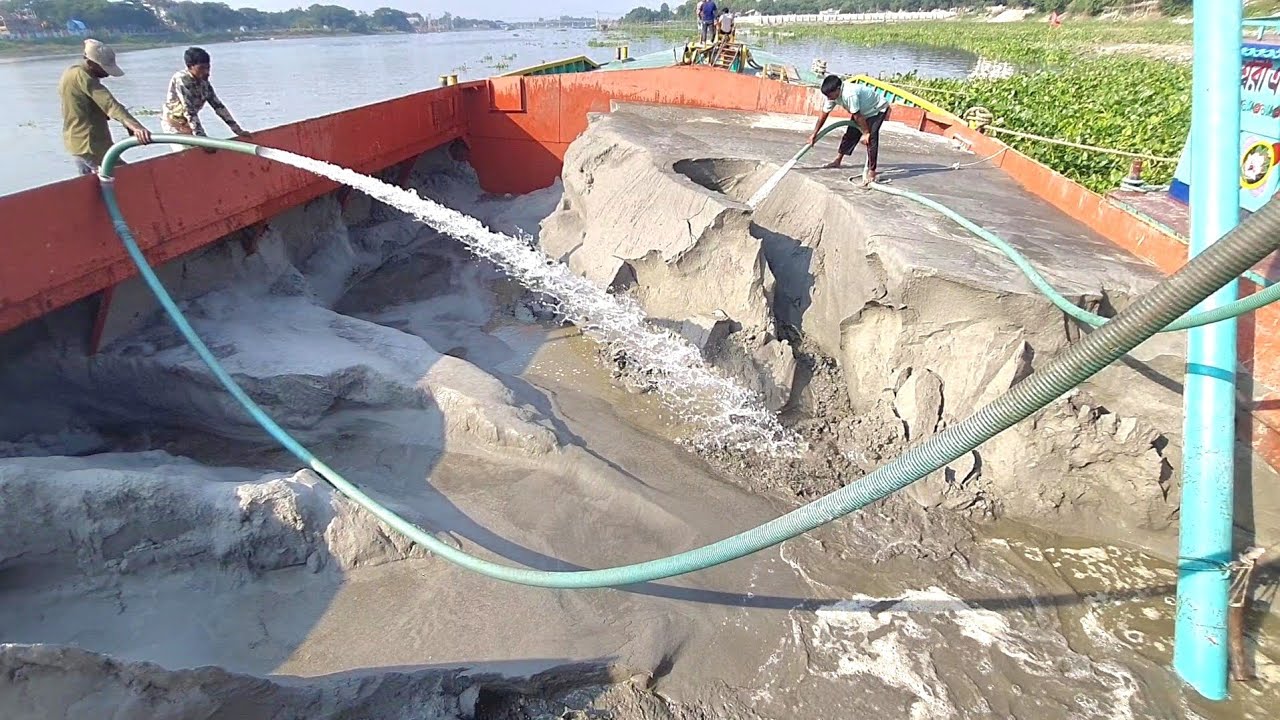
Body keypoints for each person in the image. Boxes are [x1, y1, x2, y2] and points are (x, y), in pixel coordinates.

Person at [58, 38, 152, 176]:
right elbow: (110, 104)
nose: (107, 73)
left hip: (77, 143)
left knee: (93, 186)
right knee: (125, 178)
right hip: (89, 144)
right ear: (91, 63)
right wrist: (135, 126)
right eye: (104, 68)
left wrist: (123, 122)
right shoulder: (83, 77)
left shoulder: (70, 73)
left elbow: (85, 106)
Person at [808, 74, 891, 184]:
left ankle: (872, 171)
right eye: (827, 96)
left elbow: (857, 116)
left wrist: (866, 133)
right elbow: (824, 114)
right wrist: (814, 133)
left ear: (838, 89)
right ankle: (838, 160)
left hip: (876, 109)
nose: (828, 98)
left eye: (829, 95)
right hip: (861, 111)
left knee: (871, 139)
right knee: (850, 134)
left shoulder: (849, 94)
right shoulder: (832, 96)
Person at [161, 47, 248, 141]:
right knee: (186, 152)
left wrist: (237, 130)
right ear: (190, 67)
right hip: (174, 125)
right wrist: (201, 138)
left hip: (189, 125)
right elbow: (189, 111)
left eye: (208, 67)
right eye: (201, 68)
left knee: (198, 150)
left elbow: (218, 106)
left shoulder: (203, 81)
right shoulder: (183, 80)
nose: (207, 72)